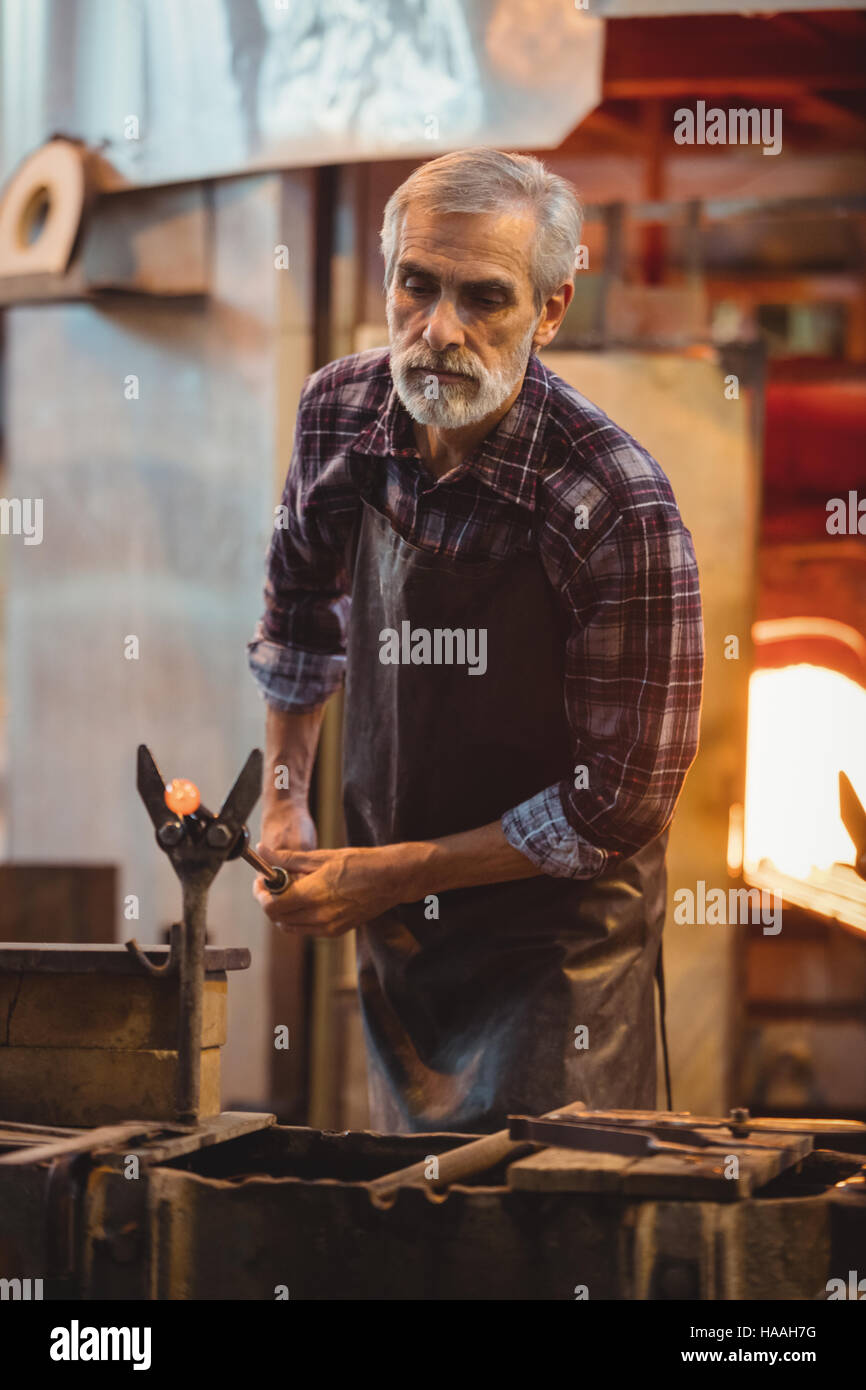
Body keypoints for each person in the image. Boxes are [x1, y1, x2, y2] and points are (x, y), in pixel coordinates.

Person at [247, 149, 703, 1134]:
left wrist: (398, 868)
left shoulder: (612, 499)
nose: (437, 331)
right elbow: (300, 615)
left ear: (549, 308)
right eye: (416, 286)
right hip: (405, 931)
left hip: (557, 952)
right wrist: (286, 798)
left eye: (484, 299)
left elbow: (616, 804)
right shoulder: (339, 412)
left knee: (553, 1240)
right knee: (415, 1231)